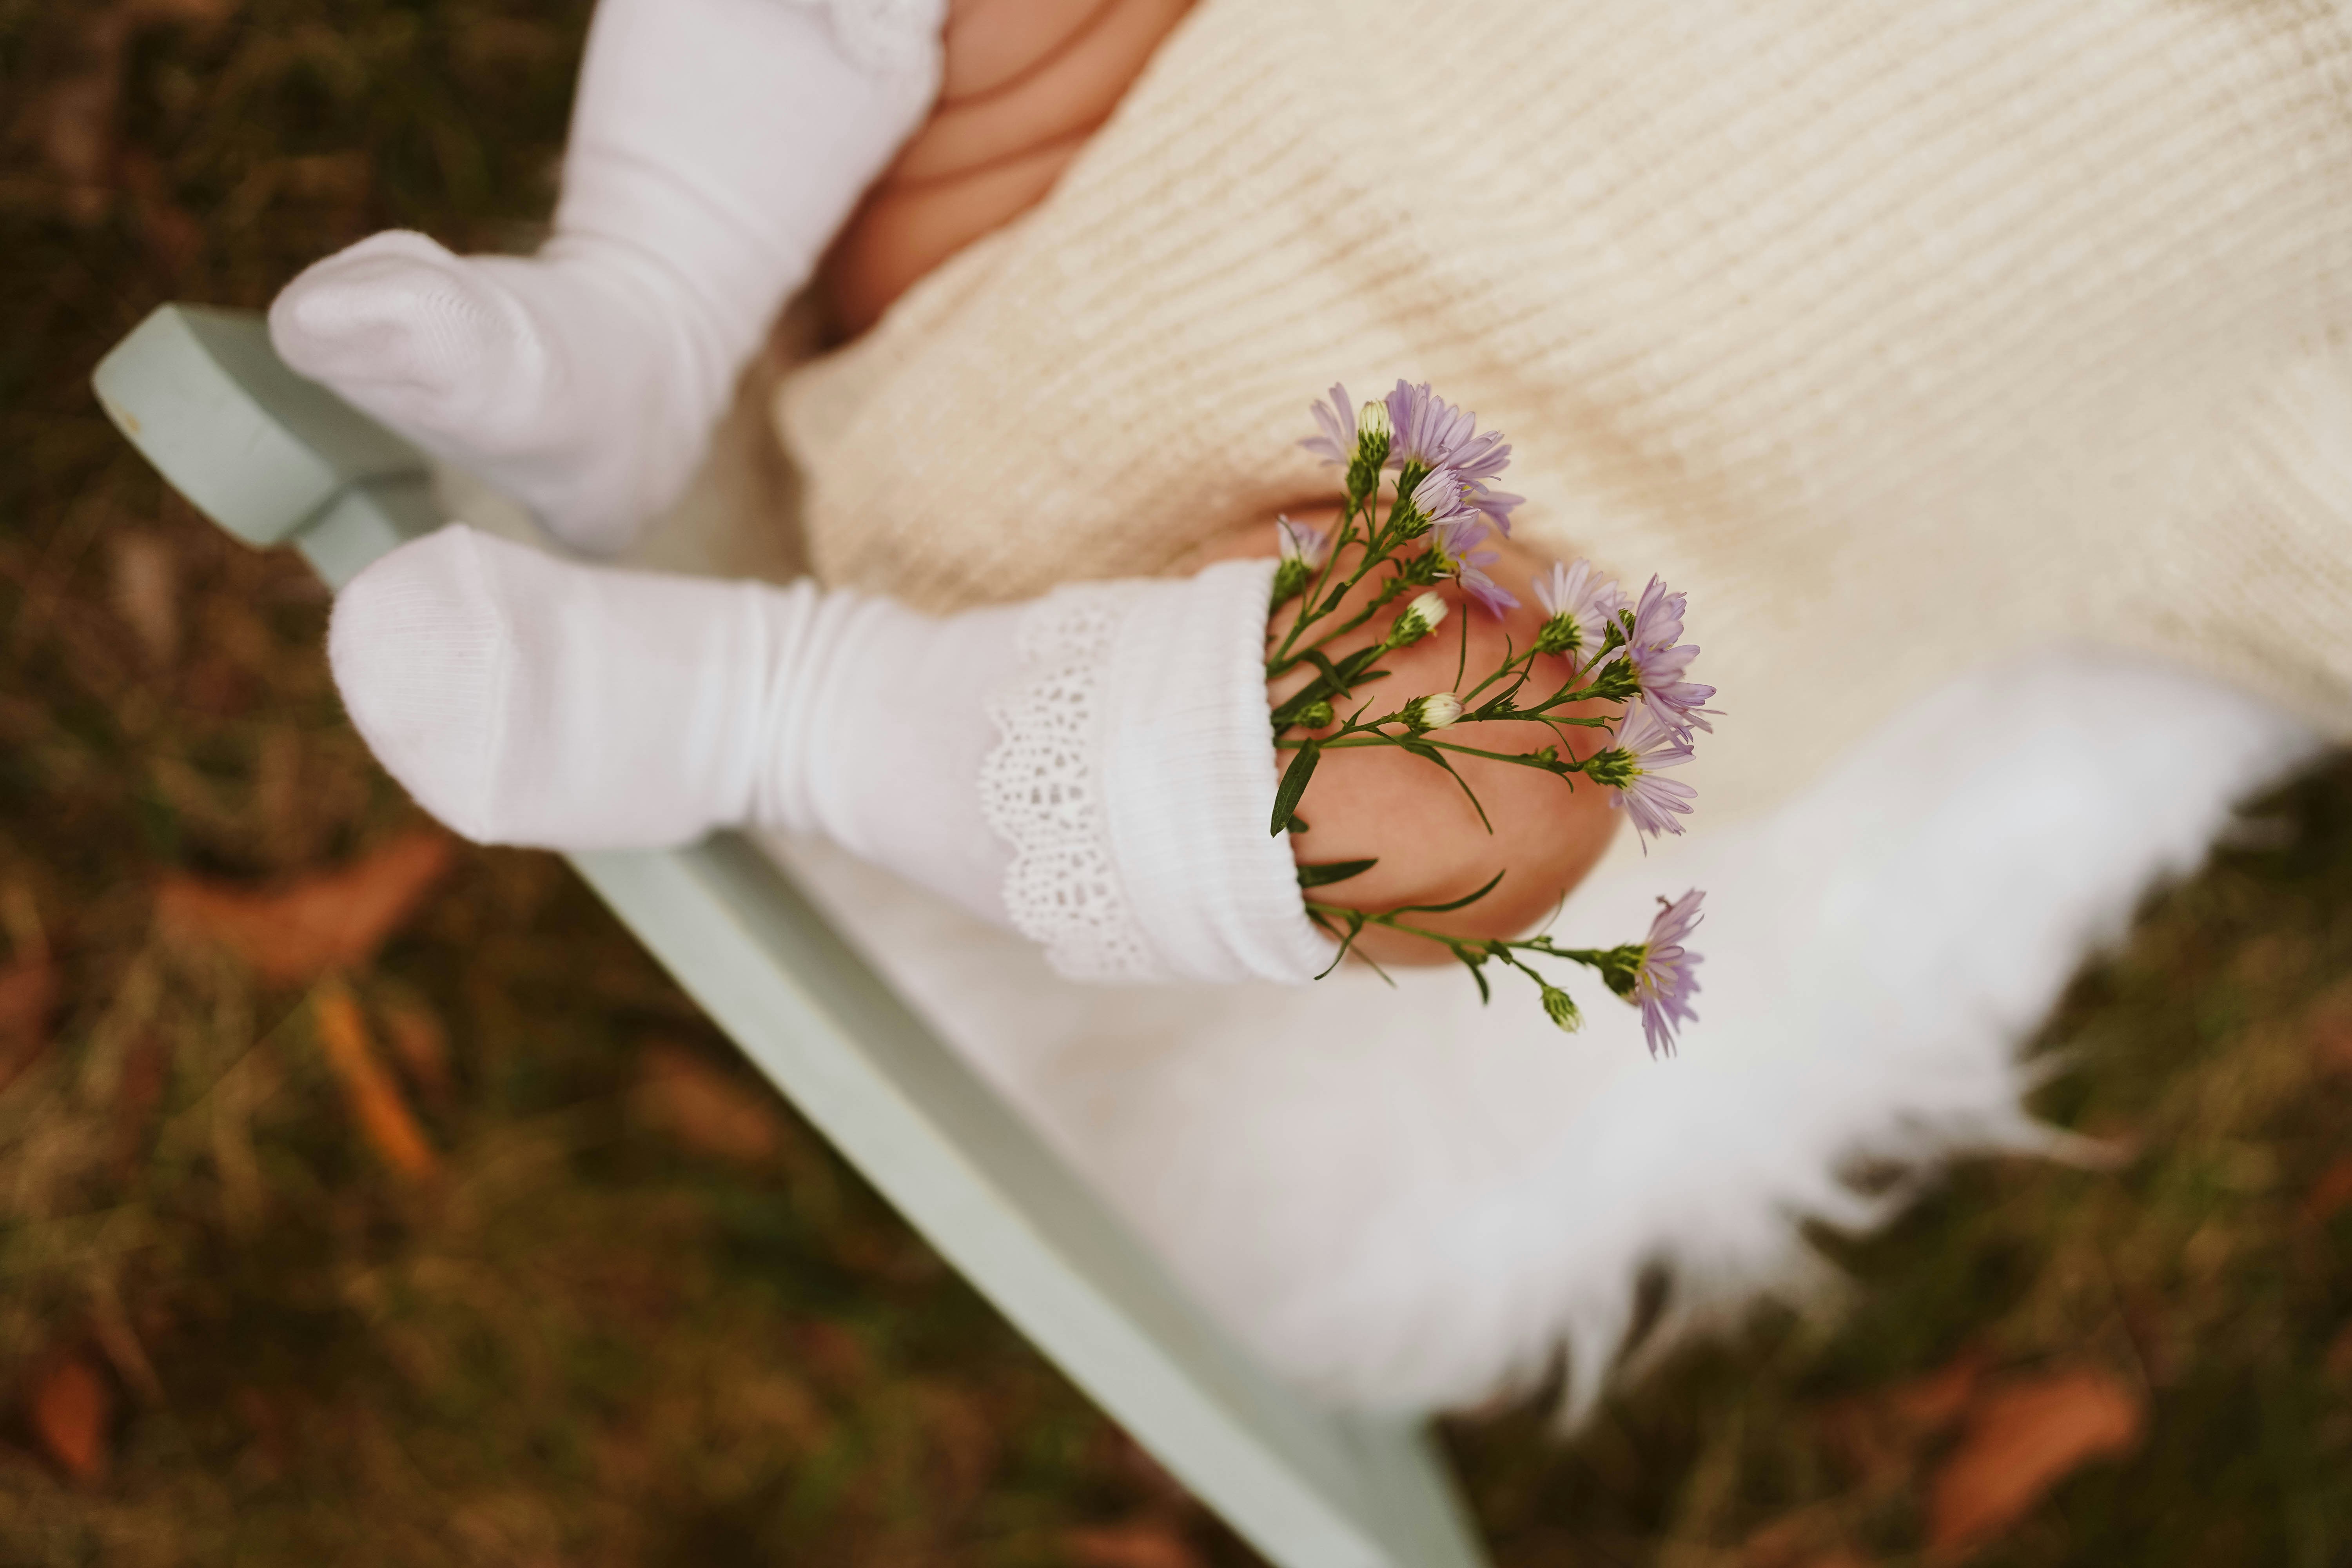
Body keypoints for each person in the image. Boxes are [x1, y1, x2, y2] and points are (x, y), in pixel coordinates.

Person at [261, 0, 2352, 1413]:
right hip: (1091, 151)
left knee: (1485, 769)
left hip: (1348, 610)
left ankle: (777, 707)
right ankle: (650, 292)